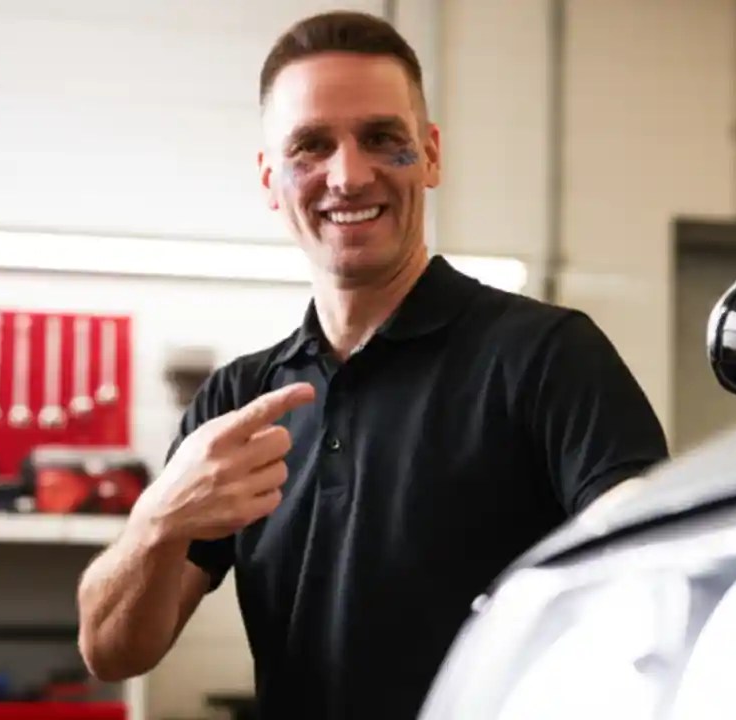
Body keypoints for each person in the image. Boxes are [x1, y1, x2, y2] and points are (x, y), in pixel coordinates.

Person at [76, 9, 669, 719]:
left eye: (382, 139)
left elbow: (654, 578)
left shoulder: (545, 357)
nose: (349, 176)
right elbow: (112, 652)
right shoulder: (240, 402)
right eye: (311, 146)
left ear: (431, 154)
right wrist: (158, 521)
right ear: (270, 180)